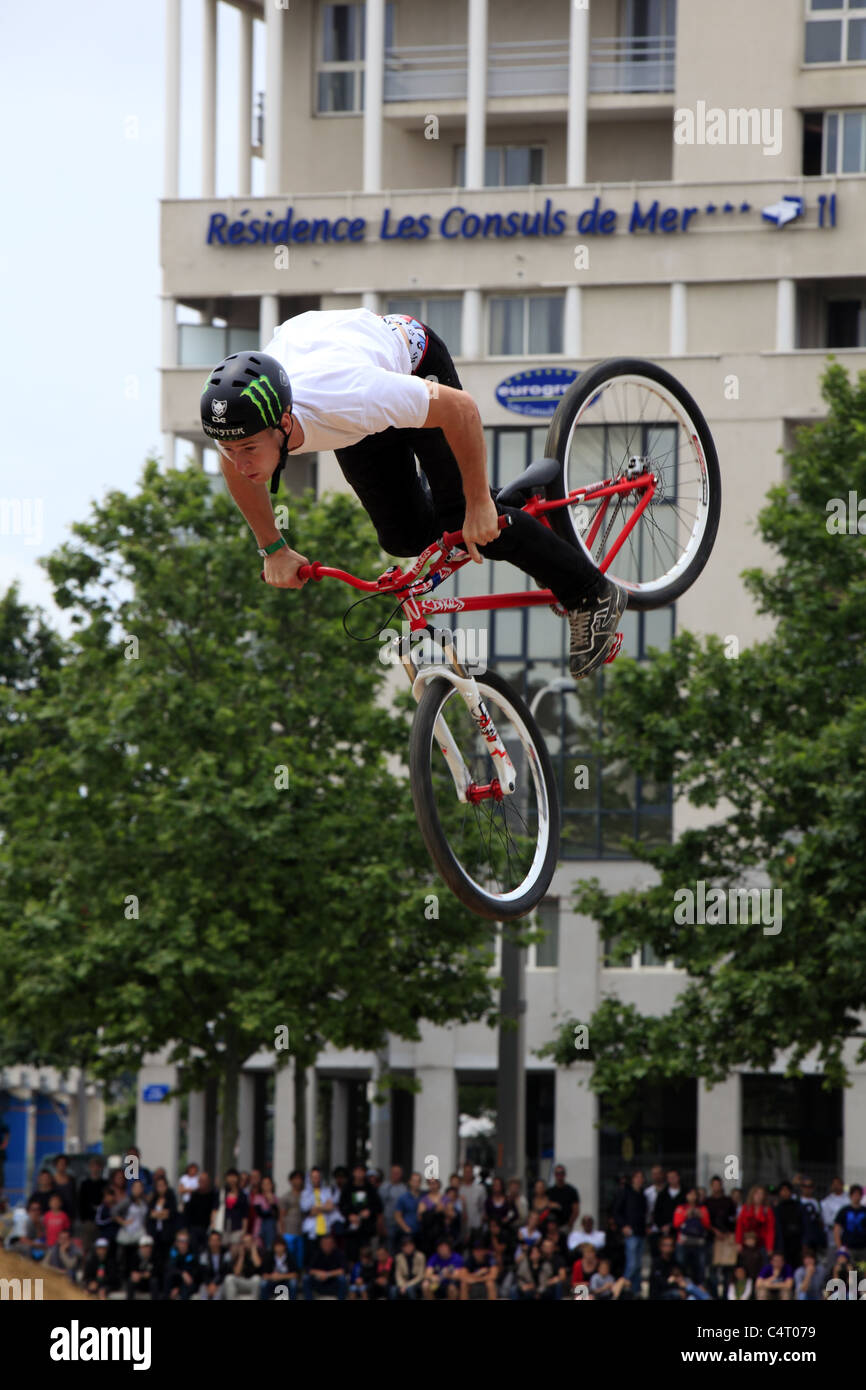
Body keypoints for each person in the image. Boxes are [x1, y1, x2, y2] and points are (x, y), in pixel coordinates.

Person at [202, 321, 628, 684]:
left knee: (471, 525)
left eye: (249, 449)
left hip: (411, 363)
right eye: (229, 450)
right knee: (404, 537)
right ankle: (510, 505)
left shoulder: (352, 399)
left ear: (285, 423)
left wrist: (478, 502)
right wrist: (274, 548)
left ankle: (590, 593)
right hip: (351, 382)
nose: (239, 463)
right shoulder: (250, 429)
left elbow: (461, 410)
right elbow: (234, 464)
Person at [613, 1168, 647, 1297]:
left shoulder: (642, 1195)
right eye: (637, 1177)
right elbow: (616, 1212)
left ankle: (635, 1291)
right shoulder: (626, 1192)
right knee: (632, 1263)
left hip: (641, 1232)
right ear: (632, 1179)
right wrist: (623, 1226)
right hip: (631, 1232)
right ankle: (621, 1288)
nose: (639, 1180)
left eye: (641, 1177)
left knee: (638, 1265)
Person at [673, 1187, 711, 1288]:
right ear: (686, 1196)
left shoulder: (702, 1209)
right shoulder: (681, 1208)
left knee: (700, 1267)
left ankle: (700, 1288)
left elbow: (707, 1225)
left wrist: (701, 1216)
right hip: (683, 1243)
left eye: (694, 1194)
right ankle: (682, 1287)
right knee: (682, 1266)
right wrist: (686, 1215)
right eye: (690, 1194)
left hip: (699, 1243)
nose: (692, 1197)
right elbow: (676, 1224)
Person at [303, 1232, 347, 1301]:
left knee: (342, 1279)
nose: (327, 1245)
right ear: (321, 1244)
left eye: (329, 1243)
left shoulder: (339, 1253)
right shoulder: (316, 1253)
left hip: (332, 1281)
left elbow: (343, 1270)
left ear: (333, 1244)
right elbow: (307, 1269)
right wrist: (319, 1273)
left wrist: (328, 1274)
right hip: (318, 1281)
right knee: (306, 1278)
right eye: (325, 1243)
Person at [735, 1185, 775, 1260]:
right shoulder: (745, 1208)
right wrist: (739, 1242)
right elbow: (740, 1227)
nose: (759, 1196)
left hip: (762, 1244)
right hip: (747, 1243)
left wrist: (770, 1247)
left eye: (761, 1194)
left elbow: (770, 1230)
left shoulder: (767, 1211)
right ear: (752, 1195)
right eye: (757, 1194)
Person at [300, 1167, 338, 1243]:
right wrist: (324, 1207)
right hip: (310, 1230)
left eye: (318, 1177)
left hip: (325, 1230)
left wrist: (316, 1208)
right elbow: (306, 1210)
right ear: (310, 1178)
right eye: (313, 1177)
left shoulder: (327, 1191)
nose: (316, 1179)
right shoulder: (305, 1193)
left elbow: (330, 1207)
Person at [78, 1156, 106, 1255]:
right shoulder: (85, 1184)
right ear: (90, 1168)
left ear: (101, 1168)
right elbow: (81, 1202)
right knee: (86, 1247)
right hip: (88, 1220)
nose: (95, 1169)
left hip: (102, 1221)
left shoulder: (105, 1184)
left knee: (101, 1247)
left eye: (97, 1166)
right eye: (93, 1166)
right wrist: (83, 1219)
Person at [278, 1169, 306, 1271]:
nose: (297, 1181)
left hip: (302, 1231)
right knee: (290, 1257)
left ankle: (298, 1278)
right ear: (290, 1181)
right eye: (295, 1179)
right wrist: (282, 1231)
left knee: (300, 1258)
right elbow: (281, 1216)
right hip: (289, 1231)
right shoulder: (286, 1197)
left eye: (299, 1179)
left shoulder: (306, 1195)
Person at [833, 1183, 866, 1267]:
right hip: (848, 1246)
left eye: (858, 1194)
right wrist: (840, 1247)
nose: (856, 1197)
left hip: (863, 1247)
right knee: (851, 1270)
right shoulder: (844, 1211)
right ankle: (852, 1280)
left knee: (863, 1269)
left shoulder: (864, 1211)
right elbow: (837, 1229)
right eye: (854, 1194)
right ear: (850, 1196)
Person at [222, 1230, 263, 1300]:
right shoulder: (239, 1254)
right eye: (244, 1242)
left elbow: (258, 1265)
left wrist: (253, 1250)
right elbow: (236, 1272)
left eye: (249, 1242)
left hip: (253, 1282)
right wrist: (241, 1256)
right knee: (229, 1278)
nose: (246, 1244)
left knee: (257, 1279)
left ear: (252, 1242)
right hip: (241, 1281)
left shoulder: (258, 1251)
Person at [185, 1171, 218, 1252]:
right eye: (201, 1180)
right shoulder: (193, 1195)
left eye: (204, 1180)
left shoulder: (213, 1195)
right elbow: (188, 1213)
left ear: (208, 1182)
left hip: (208, 1228)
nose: (202, 1183)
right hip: (194, 1228)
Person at [164, 1230, 201, 1300]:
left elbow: (192, 1276)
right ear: (176, 1243)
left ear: (188, 1242)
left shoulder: (192, 1255)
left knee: (187, 1286)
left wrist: (178, 1289)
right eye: (180, 1241)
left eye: (185, 1241)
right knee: (167, 1279)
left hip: (186, 1286)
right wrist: (182, 1273)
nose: (182, 1244)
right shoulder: (173, 1253)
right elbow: (170, 1268)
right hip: (174, 1283)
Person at [259, 1234, 299, 1300]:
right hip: (272, 1280)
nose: (279, 1248)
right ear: (273, 1247)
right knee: (263, 1283)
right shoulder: (269, 1256)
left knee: (293, 1282)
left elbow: (295, 1274)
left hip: (286, 1281)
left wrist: (280, 1276)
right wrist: (272, 1276)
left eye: (280, 1246)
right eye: (277, 1246)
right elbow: (263, 1274)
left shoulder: (290, 1256)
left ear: (284, 1246)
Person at [378, 1164, 407, 1251]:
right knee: (389, 1247)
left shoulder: (404, 1188)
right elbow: (380, 1207)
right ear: (390, 1173)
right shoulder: (384, 1187)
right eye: (394, 1173)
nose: (395, 1175)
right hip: (388, 1223)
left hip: (401, 1223)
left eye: (398, 1173)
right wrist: (381, 1224)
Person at [218, 1168, 250, 1247]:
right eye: (230, 1176)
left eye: (234, 1176)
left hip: (237, 1226)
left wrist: (244, 1230)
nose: (232, 1179)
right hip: (223, 1225)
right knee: (223, 1248)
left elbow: (245, 1214)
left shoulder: (242, 1195)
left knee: (235, 1249)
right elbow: (215, 1209)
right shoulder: (222, 1192)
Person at [198, 1229, 232, 1301]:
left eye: (216, 1240)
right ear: (209, 1242)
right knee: (203, 1290)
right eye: (212, 1240)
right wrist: (209, 1284)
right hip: (207, 1283)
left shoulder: (226, 1253)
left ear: (220, 1242)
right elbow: (202, 1272)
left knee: (218, 1293)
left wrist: (216, 1284)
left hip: (221, 1282)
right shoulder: (204, 1253)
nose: (214, 1243)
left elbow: (227, 1271)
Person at [126, 1233, 160, 1301]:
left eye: (148, 1247)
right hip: (139, 1282)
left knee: (154, 1281)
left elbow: (157, 1271)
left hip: (150, 1283)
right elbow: (131, 1270)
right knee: (131, 1281)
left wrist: (142, 1275)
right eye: (144, 1246)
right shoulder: (135, 1256)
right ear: (140, 1247)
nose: (147, 1249)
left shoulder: (156, 1256)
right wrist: (134, 1274)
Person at [547, 1165, 580, 1231]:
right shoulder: (550, 1191)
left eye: (561, 1173)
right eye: (557, 1173)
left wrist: (569, 1224)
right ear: (555, 1175)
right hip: (552, 1226)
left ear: (564, 1174)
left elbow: (576, 1210)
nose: (559, 1175)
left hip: (566, 1226)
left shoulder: (571, 1190)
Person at [393, 1235, 426, 1300]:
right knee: (393, 1290)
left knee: (410, 1289)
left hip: (416, 1282)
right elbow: (398, 1274)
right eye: (405, 1246)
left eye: (410, 1245)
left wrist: (407, 1285)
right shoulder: (398, 1257)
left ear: (413, 1246)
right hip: (404, 1281)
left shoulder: (420, 1256)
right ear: (402, 1248)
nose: (408, 1248)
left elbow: (421, 1275)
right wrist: (402, 1285)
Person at [49, 1156, 77, 1221]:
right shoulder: (51, 1180)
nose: (62, 1166)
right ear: (56, 1165)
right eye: (60, 1164)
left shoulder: (71, 1180)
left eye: (64, 1164)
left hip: (69, 1213)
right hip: (55, 1214)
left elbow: (75, 1196)